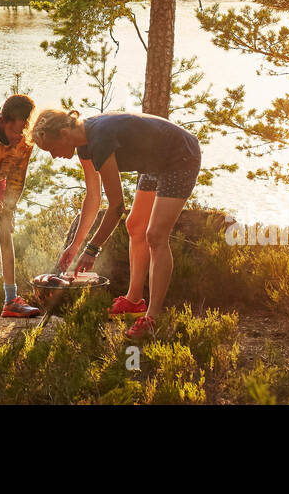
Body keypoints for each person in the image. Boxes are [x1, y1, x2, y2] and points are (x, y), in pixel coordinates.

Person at [31, 108, 201, 342]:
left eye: (51, 149)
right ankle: (133, 300)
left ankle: (152, 319)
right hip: (155, 162)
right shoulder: (83, 143)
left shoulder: (100, 138)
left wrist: (92, 249)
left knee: (156, 235)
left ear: (63, 134)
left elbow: (117, 206)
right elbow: (93, 198)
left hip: (179, 156)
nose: (52, 156)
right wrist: (74, 246)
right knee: (135, 226)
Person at [0, 94, 41, 318]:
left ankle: (11, 299)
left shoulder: (24, 142)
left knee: (6, 233)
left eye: (23, 130)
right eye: (15, 132)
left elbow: (16, 180)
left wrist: (9, 210)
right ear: (3, 121)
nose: (19, 137)